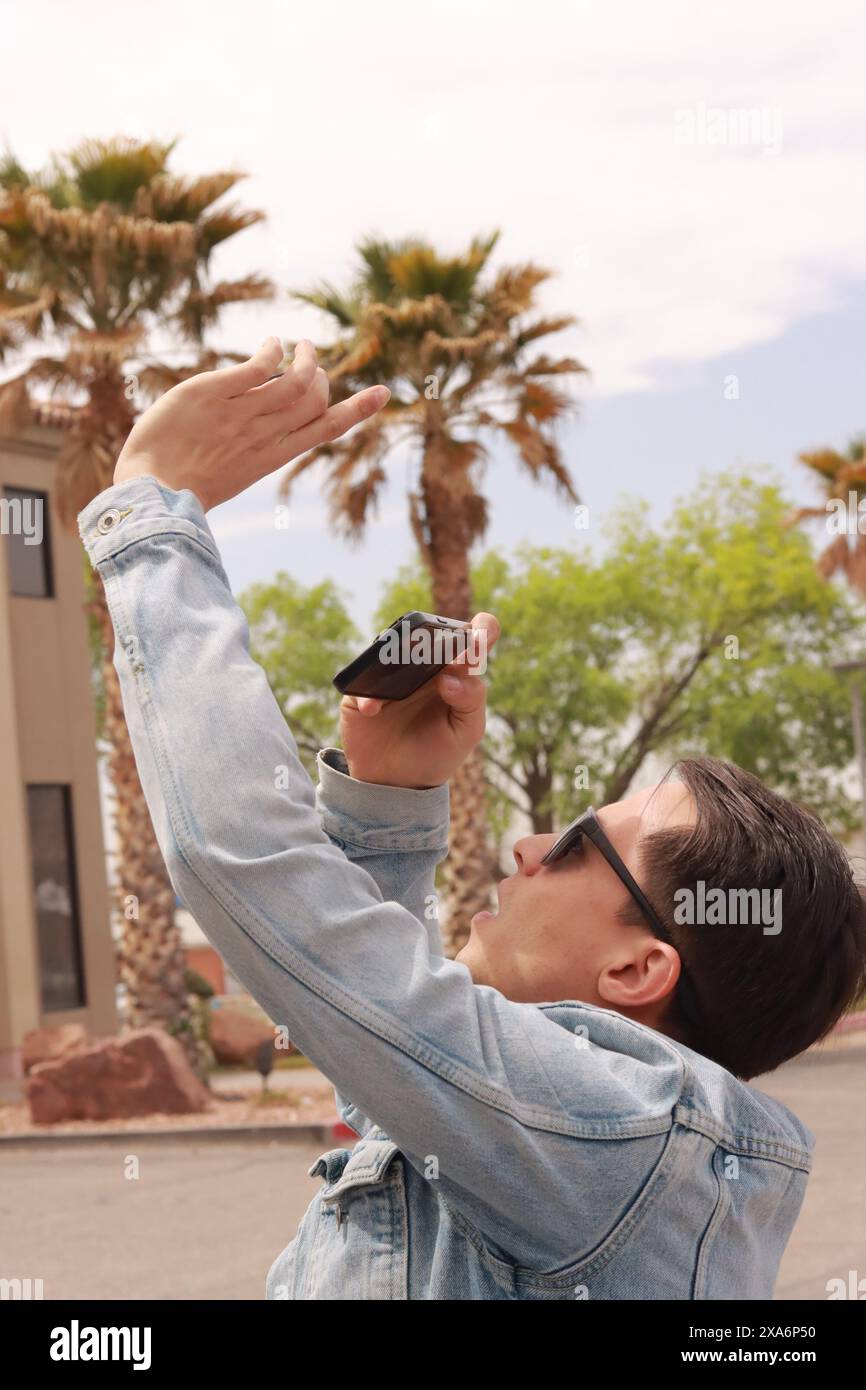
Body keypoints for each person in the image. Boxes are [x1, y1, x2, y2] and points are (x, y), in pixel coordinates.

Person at [79, 339, 866, 1301]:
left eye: (577, 847)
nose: (531, 847)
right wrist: (392, 801)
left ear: (638, 967)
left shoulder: (618, 1144)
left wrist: (152, 511)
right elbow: (379, 1032)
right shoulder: (553, 1143)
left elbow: (246, 860)